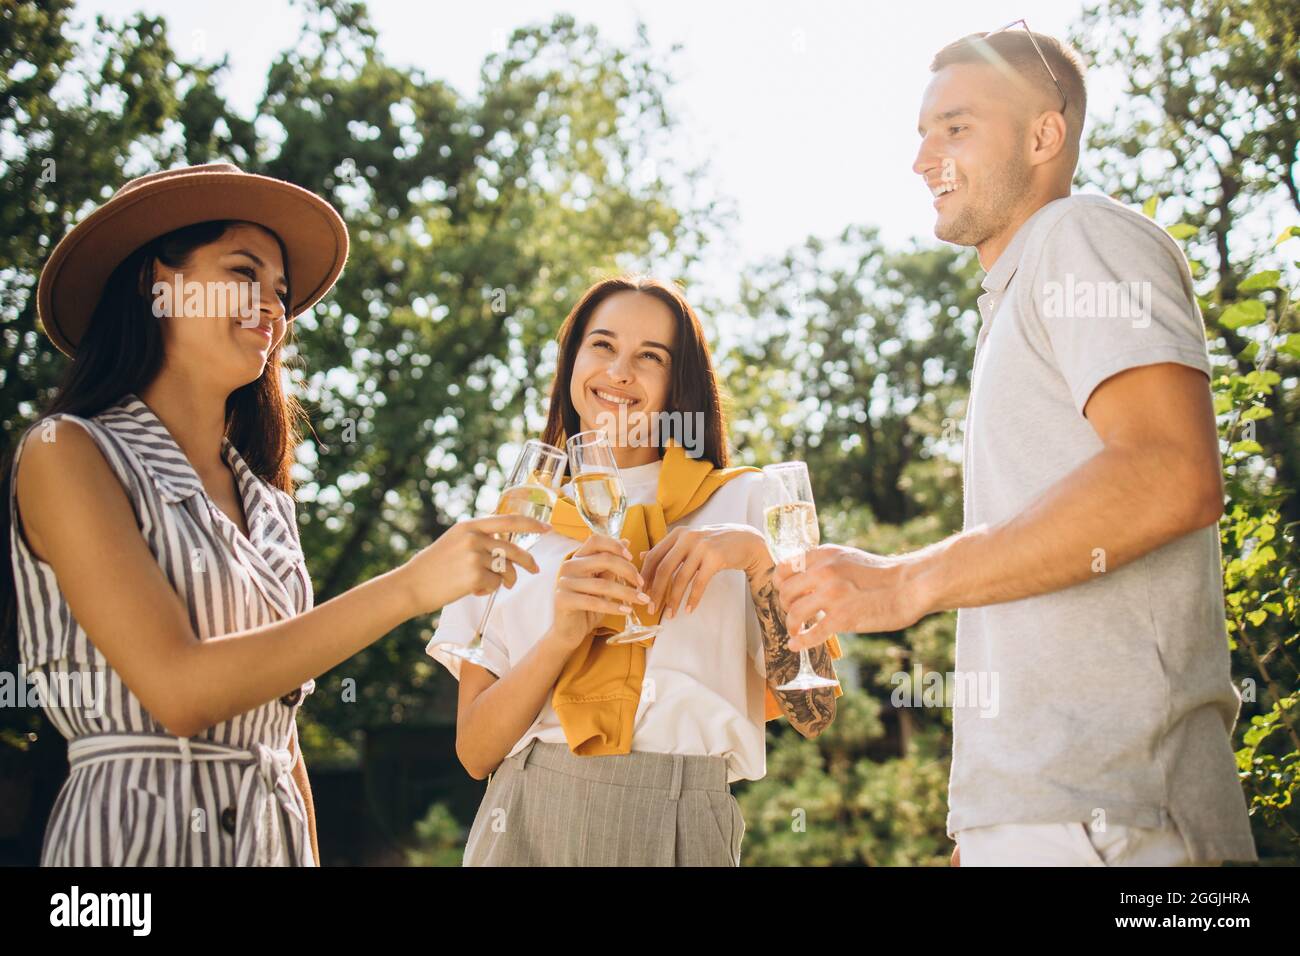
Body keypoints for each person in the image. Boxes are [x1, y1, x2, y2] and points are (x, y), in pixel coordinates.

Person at [773, 28, 1257, 866]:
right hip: (1045, 820)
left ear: (1044, 136)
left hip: (1118, 822)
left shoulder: (1081, 235)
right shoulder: (1019, 296)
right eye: (922, 133)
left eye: (955, 127)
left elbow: (1172, 474)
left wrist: (905, 581)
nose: (924, 159)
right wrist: (990, 823)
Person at [3, 163, 547, 866]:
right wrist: (413, 586)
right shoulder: (67, 451)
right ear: (157, 284)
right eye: (242, 272)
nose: (271, 308)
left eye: (281, 293)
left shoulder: (267, 501)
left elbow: (281, 739)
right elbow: (180, 690)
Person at [428, 275, 842, 866]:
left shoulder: (748, 504)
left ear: (680, 383)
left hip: (682, 818)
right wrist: (563, 635)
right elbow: (474, 751)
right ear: (572, 362)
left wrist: (758, 561)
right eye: (602, 345)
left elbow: (816, 711)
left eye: (650, 357)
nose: (619, 372)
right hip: (525, 817)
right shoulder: (515, 524)